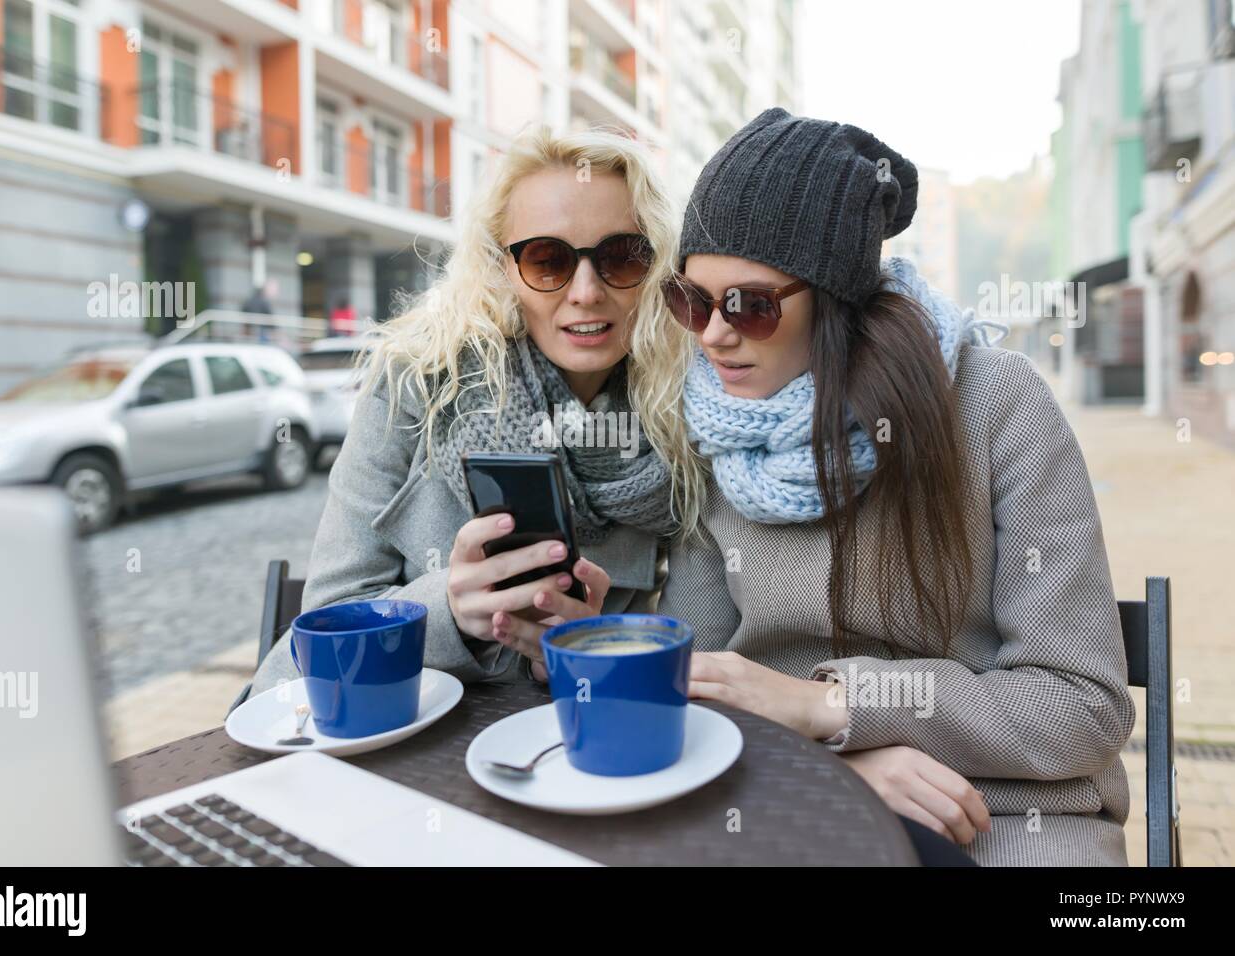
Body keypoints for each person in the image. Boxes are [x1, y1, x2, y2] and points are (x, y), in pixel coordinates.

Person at [658, 108, 1134, 866]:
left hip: (1010, 811)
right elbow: (698, 689)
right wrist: (840, 765)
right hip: (784, 792)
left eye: (750, 304)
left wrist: (837, 706)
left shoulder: (995, 404)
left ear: (834, 299)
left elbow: (1080, 708)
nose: (714, 333)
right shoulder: (712, 429)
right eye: (690, 301)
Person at [248, 125, 704, 694]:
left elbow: (684, 650)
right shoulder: (416, 380)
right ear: (501, 268)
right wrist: (449, 611)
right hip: (395, 740)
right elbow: (327, 624)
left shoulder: (682, 418)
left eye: (622, 256)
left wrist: (588, 650)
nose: (586, 291)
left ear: (657, 265)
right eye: (547, 260)